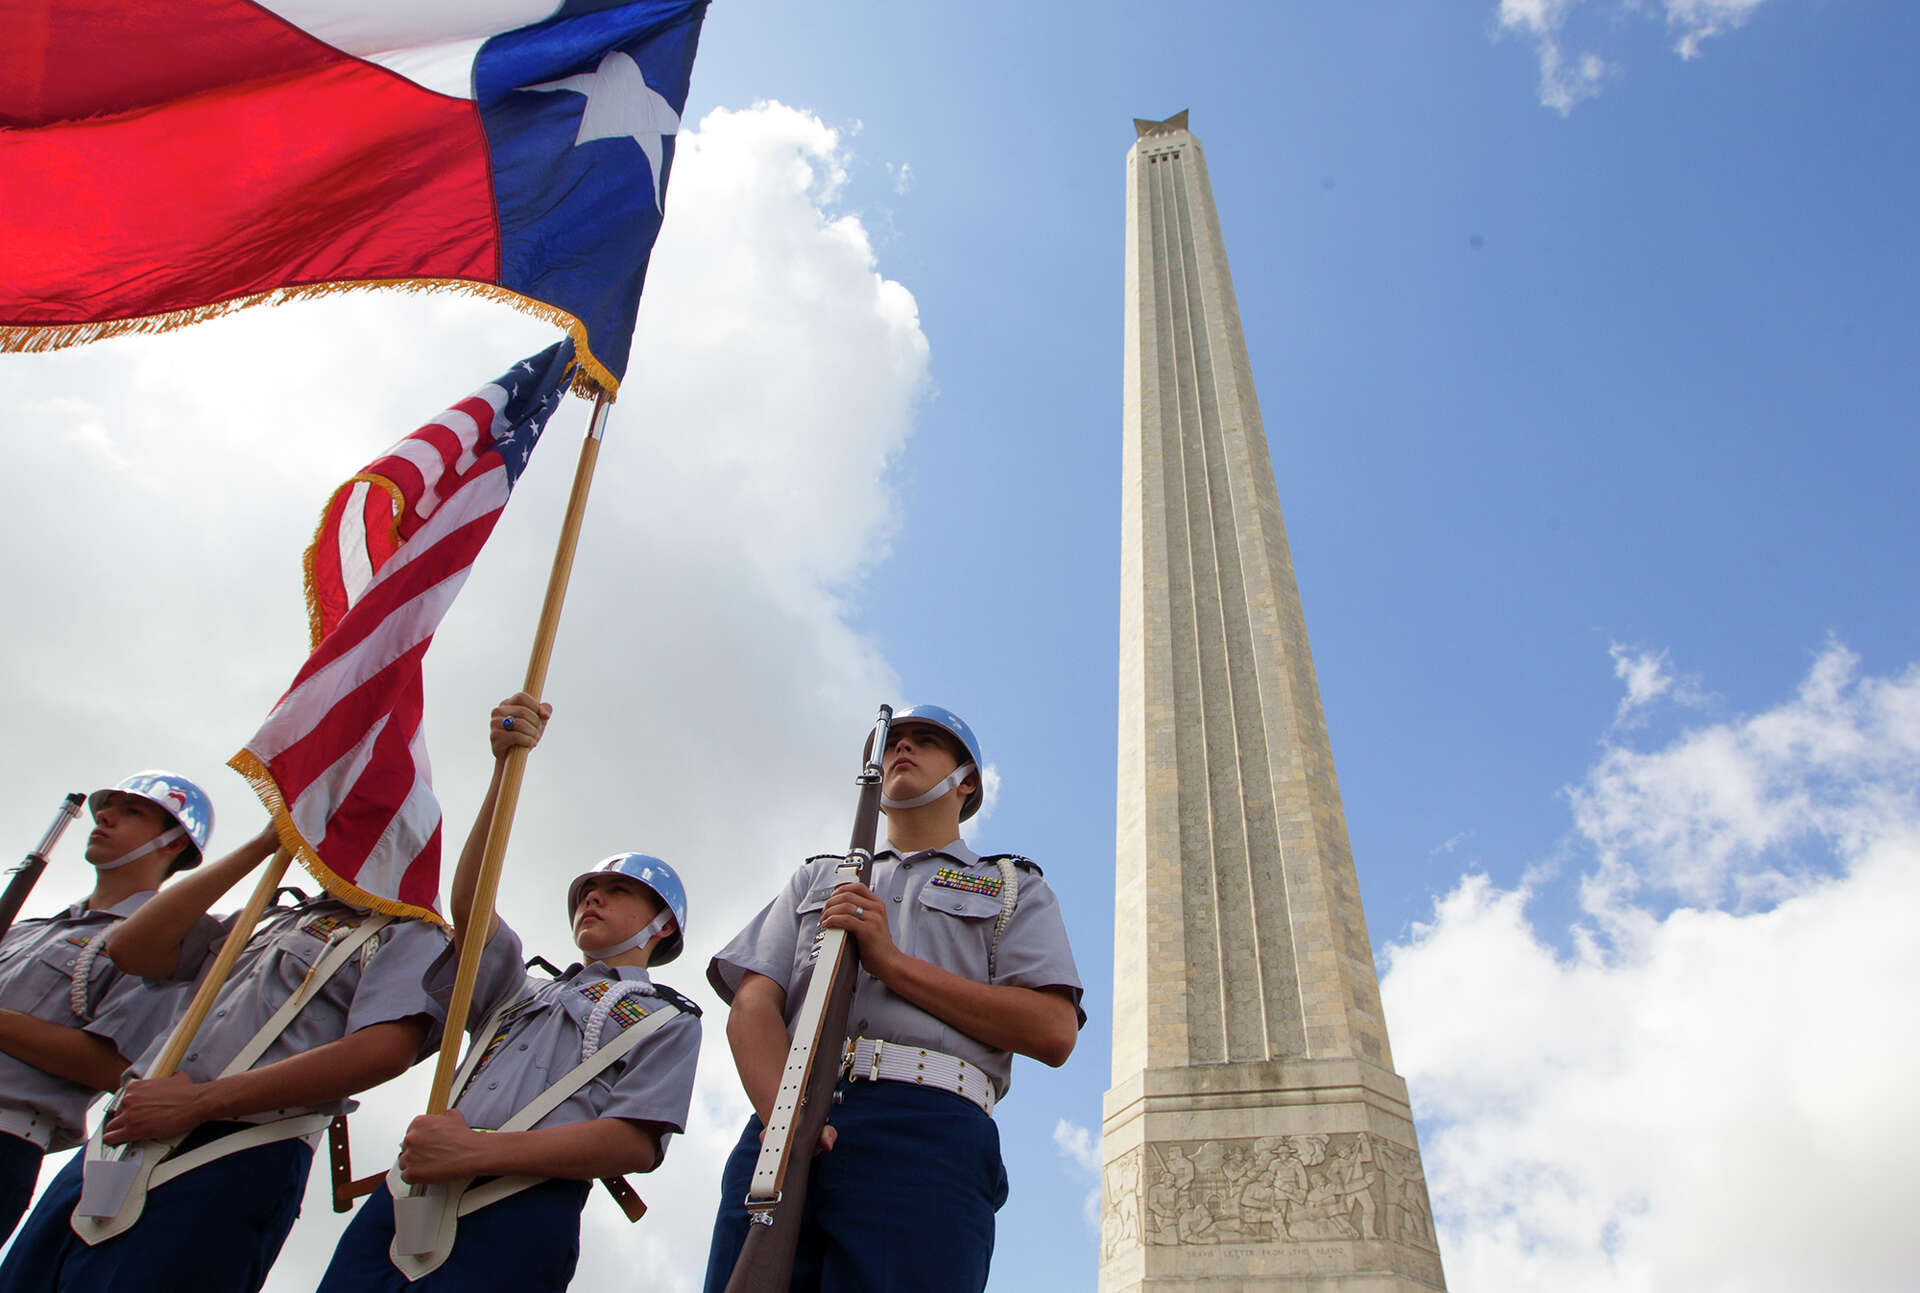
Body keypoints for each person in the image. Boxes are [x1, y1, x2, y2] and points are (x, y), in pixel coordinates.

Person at [315, 693, 702, 1292]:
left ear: (663, 925)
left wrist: (474, 1153)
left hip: (523, 1210)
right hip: (407, 1195)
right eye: (587, 889)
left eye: (618, 890)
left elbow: (632, 1141)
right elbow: (471, 909)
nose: (592, 897)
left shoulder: (666, 1020)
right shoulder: (519, 988)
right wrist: (504, 769)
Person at [701, 704, 1084, 1293]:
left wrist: (892, 964)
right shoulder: (818, 877)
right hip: (788, 1116)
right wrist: (786, 1116)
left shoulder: (1010, 885)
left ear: (968, 781)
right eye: (893, 742)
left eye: (926, 740)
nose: (902, 749)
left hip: (929, 1131)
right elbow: (753, 1005)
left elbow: (1053, 1029)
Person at [0, 800, 450, 1292]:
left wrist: (200, 1102)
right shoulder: (267, 913)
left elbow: (383, 1050)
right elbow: (132, 948)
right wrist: (261, 845)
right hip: (121, 1137)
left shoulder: (412, 934)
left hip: (237, 1149)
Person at [0, 773, 217, 1243]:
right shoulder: (27, 931)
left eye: (133, 812)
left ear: (173, 841)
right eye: (107, 807)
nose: (105, 817)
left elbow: (117, 1067)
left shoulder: (165, 948)